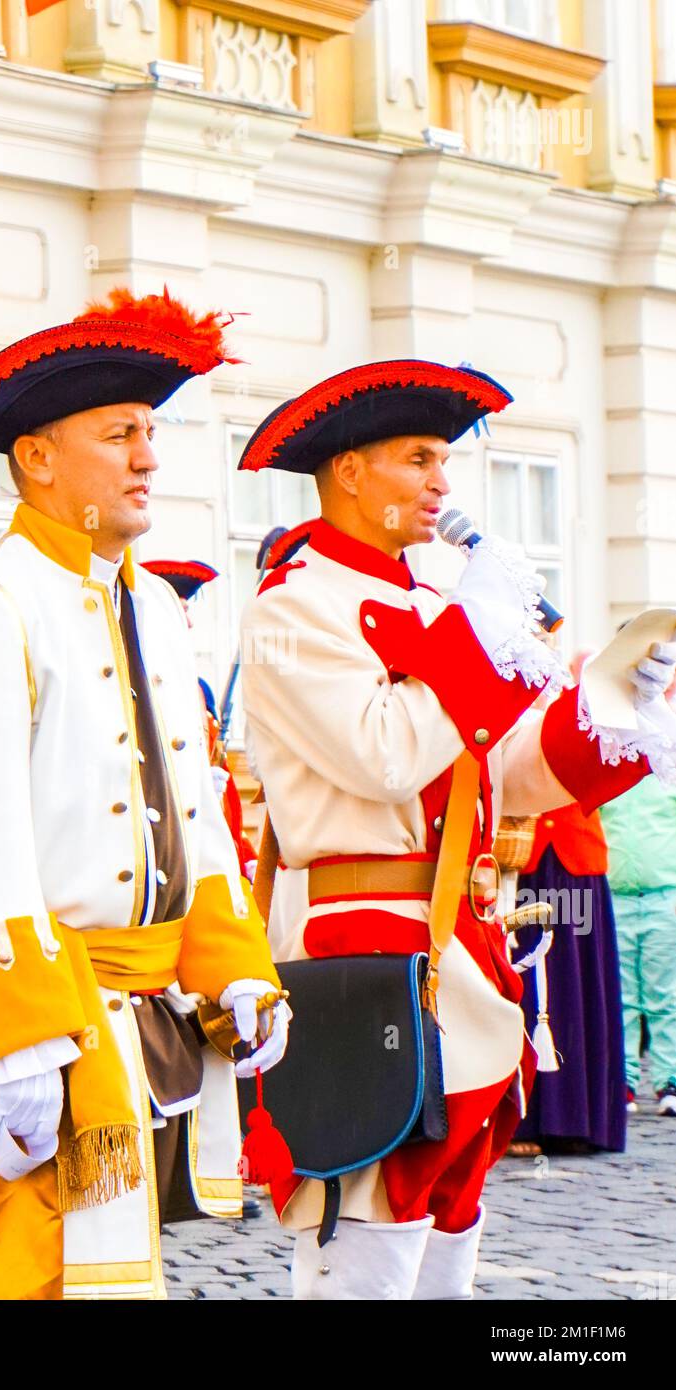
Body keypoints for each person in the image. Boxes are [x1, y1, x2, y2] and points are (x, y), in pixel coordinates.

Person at [0, 288, 290, 1301]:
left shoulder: (152, 606)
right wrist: (16, 1047)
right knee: (23, 1277)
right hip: (38, 1016)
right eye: (119, 433)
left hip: (142, 1010)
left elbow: (199, 813)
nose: (147, 458)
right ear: (38, 457)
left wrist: (235, 969)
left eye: (151, 433)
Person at [238, 359, 675, 1300]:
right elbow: (383, 757)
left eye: (443, 461)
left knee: (449, 1221)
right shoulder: (294, 605)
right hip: (360, 941)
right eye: (419, 459)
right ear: (349, 472)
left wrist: (606, 711)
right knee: (366, 1217)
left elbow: (503, 779)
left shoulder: (432, 608)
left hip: (460, 949)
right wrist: (479, 643)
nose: (442, 483)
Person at [513, 800, 626, 1152]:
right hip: (518, 853)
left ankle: (579, 1121)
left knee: (577, 988)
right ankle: (522, 1121)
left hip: (574, 853)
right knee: (524, 981)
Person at [142, 558, 258, 881]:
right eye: (180, 609)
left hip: (211, 839)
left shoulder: (197, 687)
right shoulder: (138, 682)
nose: (189, 623)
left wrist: (240, 852)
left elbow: (224, 784)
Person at [600, 739, 676, 1118]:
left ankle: (668, 1079)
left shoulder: (669, 773)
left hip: (665, 894)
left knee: (666, 996)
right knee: (622, 994)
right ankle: (624, 1080)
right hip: (616, 897)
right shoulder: (611, 775)